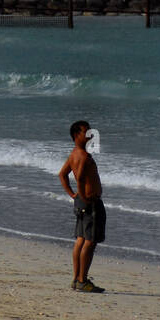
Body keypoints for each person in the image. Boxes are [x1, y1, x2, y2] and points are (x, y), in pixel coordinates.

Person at [58, 119, 106, 293]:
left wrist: (73, 195)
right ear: (76, 135)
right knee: (90, 242)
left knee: (80, 239)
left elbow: (62, 175)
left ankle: (77, 279)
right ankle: (82, 280)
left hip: (82, 201)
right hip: (89, 203)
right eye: (86, 132)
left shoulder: (75, 154)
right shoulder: (83, 157)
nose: (90, 135)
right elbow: (79, 179)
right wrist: (84, 196)